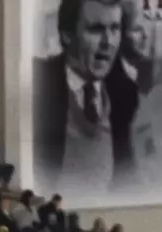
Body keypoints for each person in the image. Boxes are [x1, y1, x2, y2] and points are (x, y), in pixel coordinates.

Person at [32, 0, 139, 185]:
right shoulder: (39, 84)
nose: (108, 42)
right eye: (96, 29)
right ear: (67, 35)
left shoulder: (126, 94)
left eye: (115, 29)